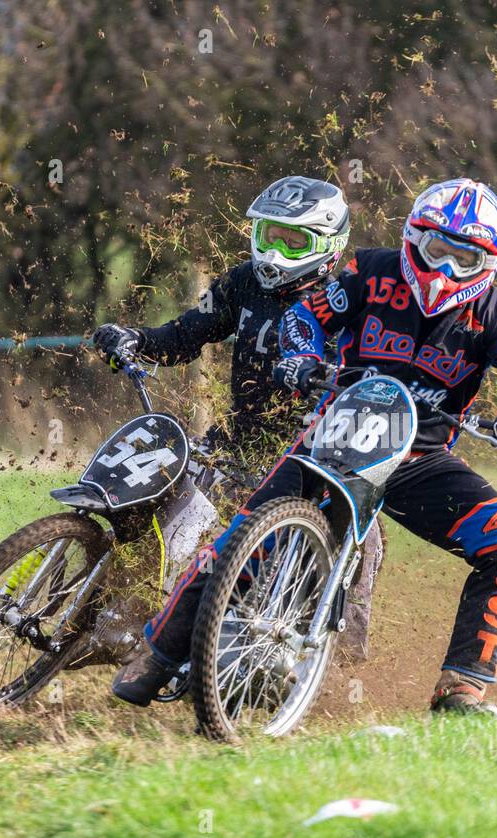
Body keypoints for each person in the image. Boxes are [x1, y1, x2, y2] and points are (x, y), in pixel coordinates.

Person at [114, 177, 497, 715]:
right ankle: (158, 654)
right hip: (337, 432)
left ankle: (462, 688)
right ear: (414, 238)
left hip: (419, 460)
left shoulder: (495, 315)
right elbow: (308, 316)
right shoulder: (370, 271)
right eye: (437, 250)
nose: (445, 269)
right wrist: (302, 357)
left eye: (463, 258)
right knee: (238, 539)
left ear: (488, 263)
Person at [92, 176, 384, 681]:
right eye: (269, 235)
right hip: (235, 443)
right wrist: (137, 340)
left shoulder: (351, 301)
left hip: (314, 459)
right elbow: (185, 335)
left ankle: (334, 668)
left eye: (294, 241)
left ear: (329, 247)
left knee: (365, 538)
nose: (275, 250)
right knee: (157, 504)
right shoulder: (242, 282)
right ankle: (119, 617)